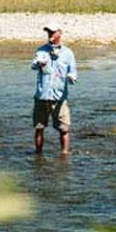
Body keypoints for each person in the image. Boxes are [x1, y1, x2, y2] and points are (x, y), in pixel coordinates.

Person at [31, 25, 77, 155]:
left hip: (60, 98)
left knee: (64, 129)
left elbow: (73, 73)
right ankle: (38, 155)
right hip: (41, 96)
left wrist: (71, 77)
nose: (50, 34)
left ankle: (64, 155)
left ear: (60, 33)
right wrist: (38, 64)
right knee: (39, 127)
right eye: (48, 32)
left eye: (52, 32)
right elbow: (33, 66)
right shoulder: (41, 51)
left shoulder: (68, 53)